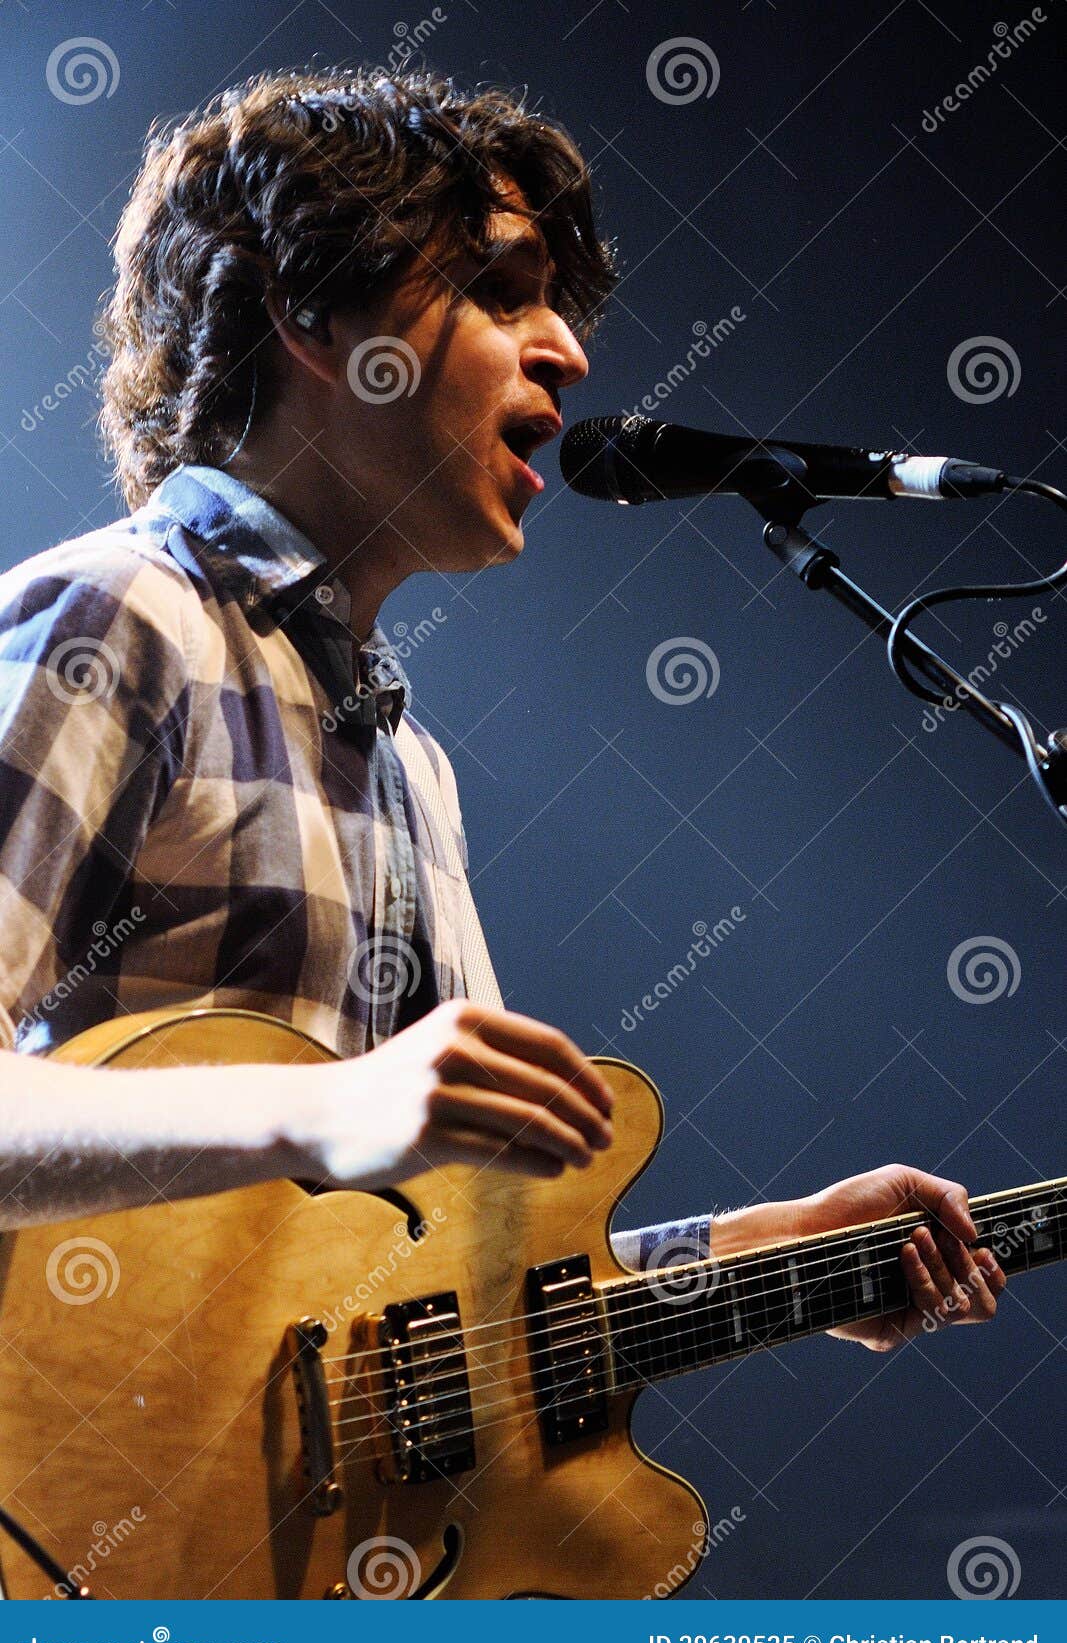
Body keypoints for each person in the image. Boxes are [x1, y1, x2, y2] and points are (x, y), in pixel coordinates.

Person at [0, 68, 1004, 1354]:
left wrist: (765, 1254)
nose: (570, 353)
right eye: (500, 290)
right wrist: (322, 1111)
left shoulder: (412, 760)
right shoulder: (118, 617)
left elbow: (431, 1324)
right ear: (313, 309)